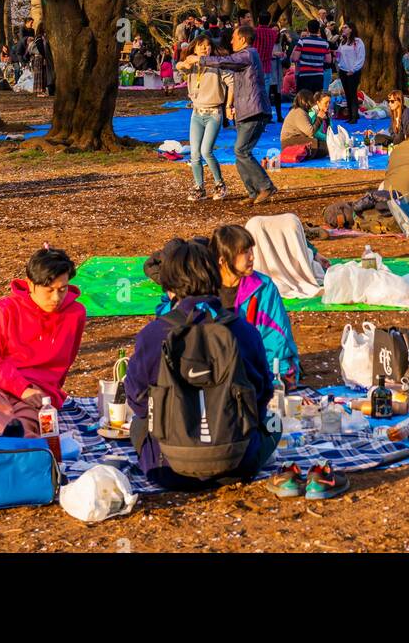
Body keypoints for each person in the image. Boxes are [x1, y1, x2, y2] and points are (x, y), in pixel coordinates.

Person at [124, 239, 276, 491]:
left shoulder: (154, 333)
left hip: (169, 469)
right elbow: (263, 392)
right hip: (237, 464)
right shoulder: (243, 330)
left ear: (170, 287)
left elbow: (137, 400)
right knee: (274, 424)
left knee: (139, 424)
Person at [0, 246, 86, 435]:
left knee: (26, 427)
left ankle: (15, 453)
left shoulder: (75, 314)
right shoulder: (3, 310)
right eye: (49, 290)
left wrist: (43, 393)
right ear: (30, 284)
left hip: (38, 393)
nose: (56, 298)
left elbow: (63, 367)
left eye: (62, 289)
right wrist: (21, 388)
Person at [192, 24, 276, 204]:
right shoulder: (245, 56)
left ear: (243, 39)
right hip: (246, 111)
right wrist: (231, 106)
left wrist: (201, 59)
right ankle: (253, 192)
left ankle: (266, 186)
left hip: (255, 111)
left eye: (234, 38)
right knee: (240, 153)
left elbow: (225, 61)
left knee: (241, 150)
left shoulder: (248, 54)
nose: (231, 41)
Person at [211, 224, 300, 385]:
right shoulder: (205, 289)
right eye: (244, 252)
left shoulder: (263, 288)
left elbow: (276, 336)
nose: (252, 257)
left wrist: (279, 379)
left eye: (251, 250)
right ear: (223, 259)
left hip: (253, 371)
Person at [175, 32, 232, 201]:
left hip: (214, 113)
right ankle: (198, 187)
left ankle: (220, 183)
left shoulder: (217, 65)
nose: (204, 49)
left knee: (206, 151)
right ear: (195, 47)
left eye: (207, 46)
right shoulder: (192, 65)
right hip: (196, 114)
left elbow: (232, 83)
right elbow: (179, 66)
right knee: (194, 153)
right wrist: (187, 61)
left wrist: (229, 105)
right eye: (200, 46)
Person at [280, 90, 328, 157]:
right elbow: (310, 132)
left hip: (293, 140)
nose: (312, 104)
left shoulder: (300, 111)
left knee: (324, 146)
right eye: (311, 101)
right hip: (290, 142)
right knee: (325, 147)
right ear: (306, 102)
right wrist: (319, 118)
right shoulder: (299, 112)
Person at [290, 20, 332, 95]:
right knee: (316, 99)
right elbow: (328, 60)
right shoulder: (325, 43)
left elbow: (295, 58)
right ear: (318, 30)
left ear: (308, 29)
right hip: (318, 76)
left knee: (304, 99)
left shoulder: (302, 41)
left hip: (305, 75)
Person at [335, 21, 365, 123]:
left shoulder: (358, 41)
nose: (343, 29)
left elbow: (360, 57)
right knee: (347, 93)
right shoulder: (342, 42)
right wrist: (337, 60)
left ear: (351, 29)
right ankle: (350, 115)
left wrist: (354, 69)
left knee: (353, 93)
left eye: (346, 27)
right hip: (343, 71)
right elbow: (338, 53)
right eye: (343, 28)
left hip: (353, 72)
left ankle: (354, 116)